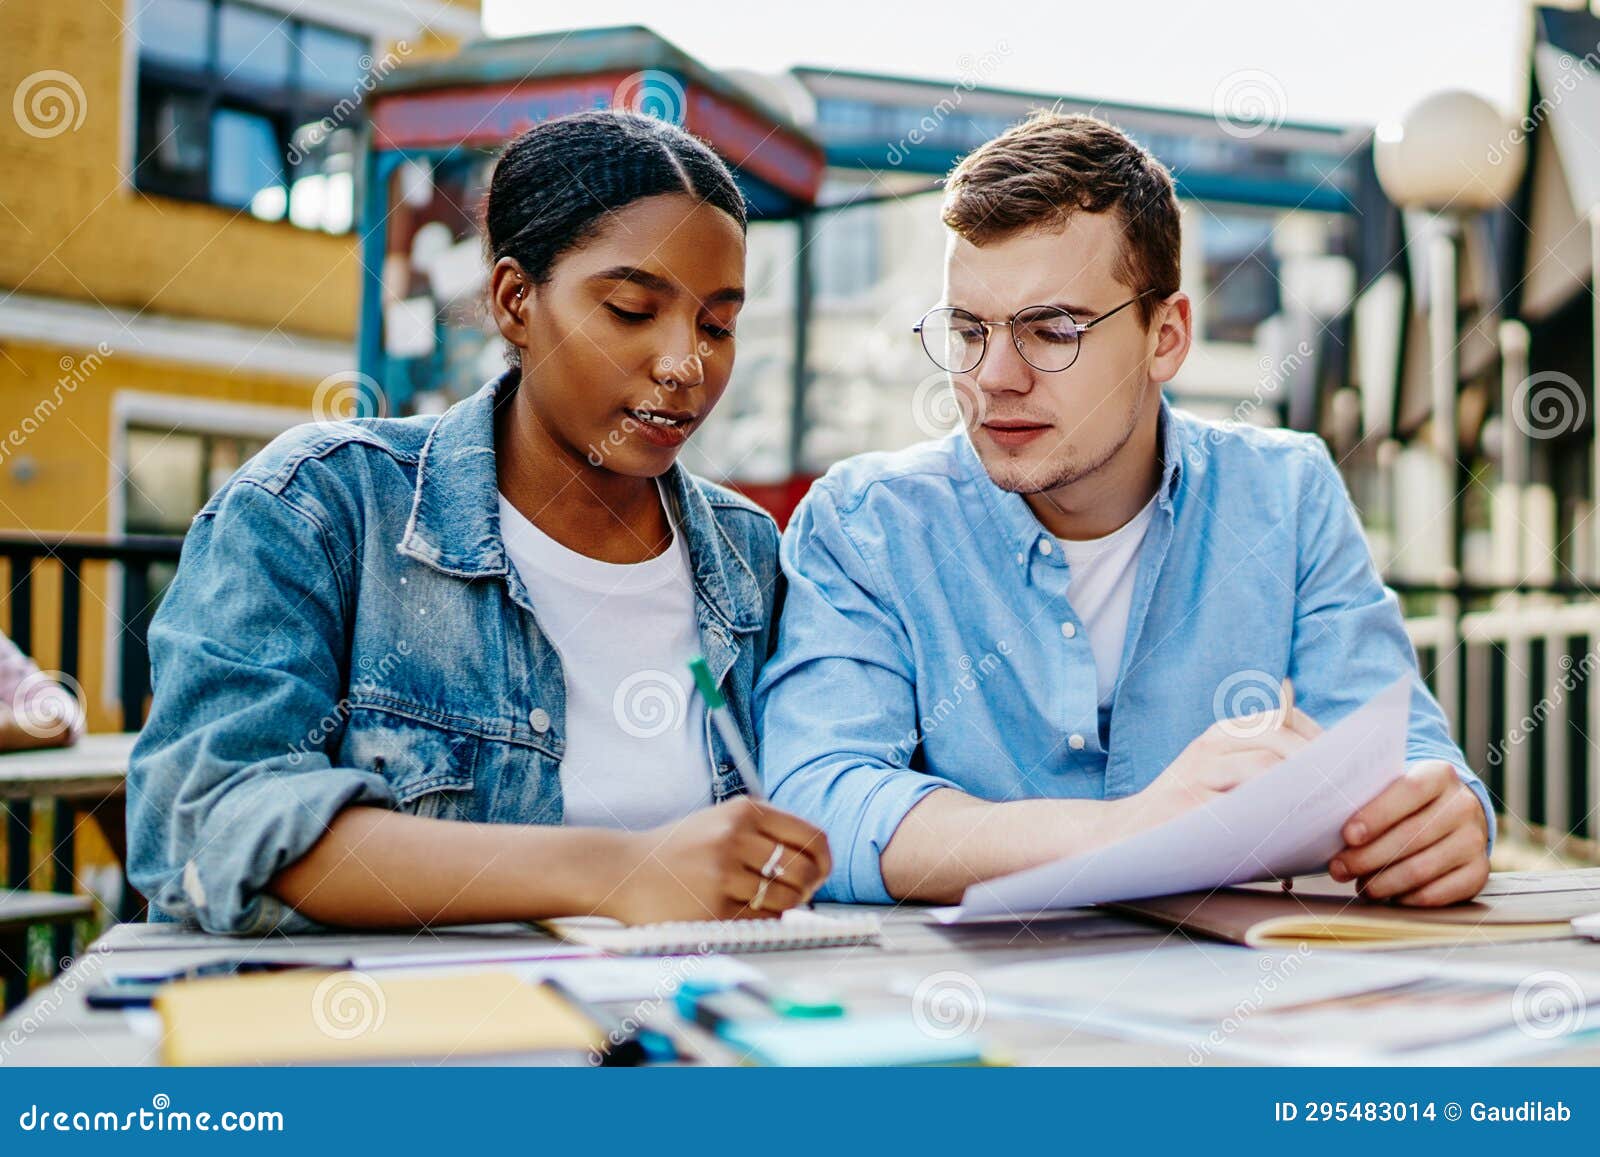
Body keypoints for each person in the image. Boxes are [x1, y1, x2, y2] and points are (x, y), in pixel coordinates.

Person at [757, 111, 1491, 908]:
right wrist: (1132, 829)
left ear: (1166, 336)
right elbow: (816, 804)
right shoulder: (867, 524)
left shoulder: (1287, 493)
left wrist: (1443, 815)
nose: (993, 377)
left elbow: (1398, 750)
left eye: (1051, 330)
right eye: (968, 331)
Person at [128, 110, 829, 935]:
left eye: (718, 326)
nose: (685, 364)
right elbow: (208, 820)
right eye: (632, 309)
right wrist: (614, 872)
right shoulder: (323, 506)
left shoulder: (748, 553)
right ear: (514, 300)